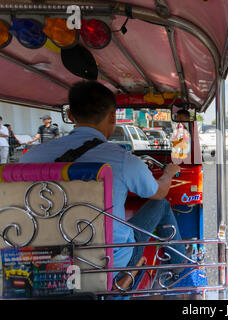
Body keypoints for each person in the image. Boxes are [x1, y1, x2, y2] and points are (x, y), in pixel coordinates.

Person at [20, 81, 185, 292]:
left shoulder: (31, 157)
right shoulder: (121, 160)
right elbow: (159, 192)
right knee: (160, 205)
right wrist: (169, 173)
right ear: (112, 117)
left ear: (70, 116)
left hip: (44, 267)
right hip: (108, 268)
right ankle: (182, 267)